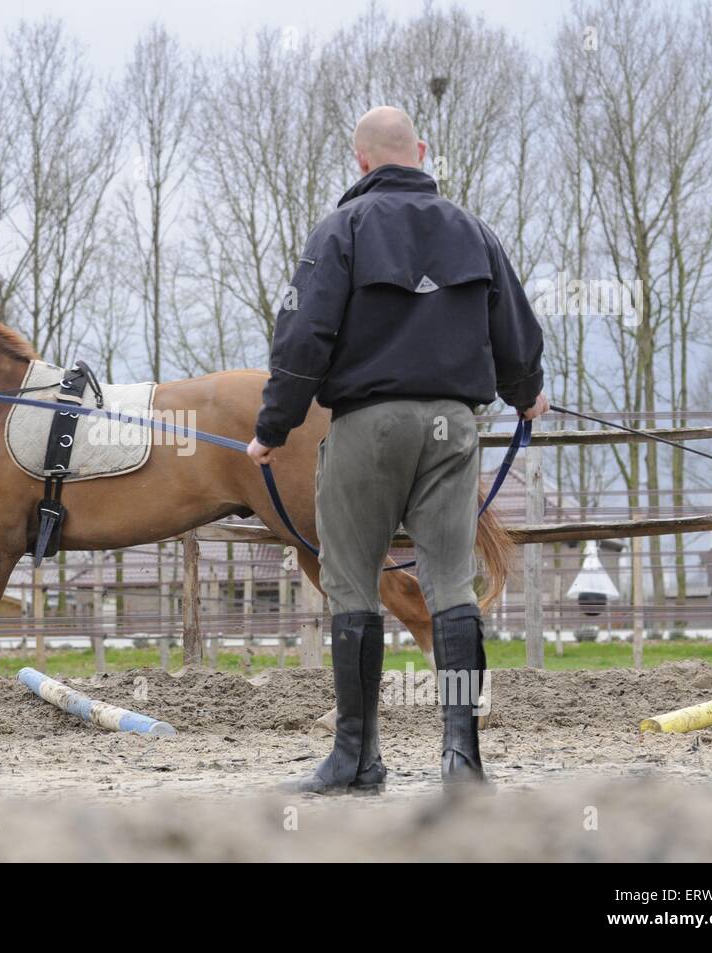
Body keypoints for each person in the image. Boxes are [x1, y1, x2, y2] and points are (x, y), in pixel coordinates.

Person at [247, 106, 547, 793]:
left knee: (353, 581)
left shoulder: (340, 231)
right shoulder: (476, 233)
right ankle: (462, 761)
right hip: (453, 427)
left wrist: (273, 427)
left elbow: (302, 340)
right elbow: (517, 333)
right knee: (451, 584)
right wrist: (527, 392)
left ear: (360, 164)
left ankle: (356, 758)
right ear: (421, 151)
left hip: (369, 427)